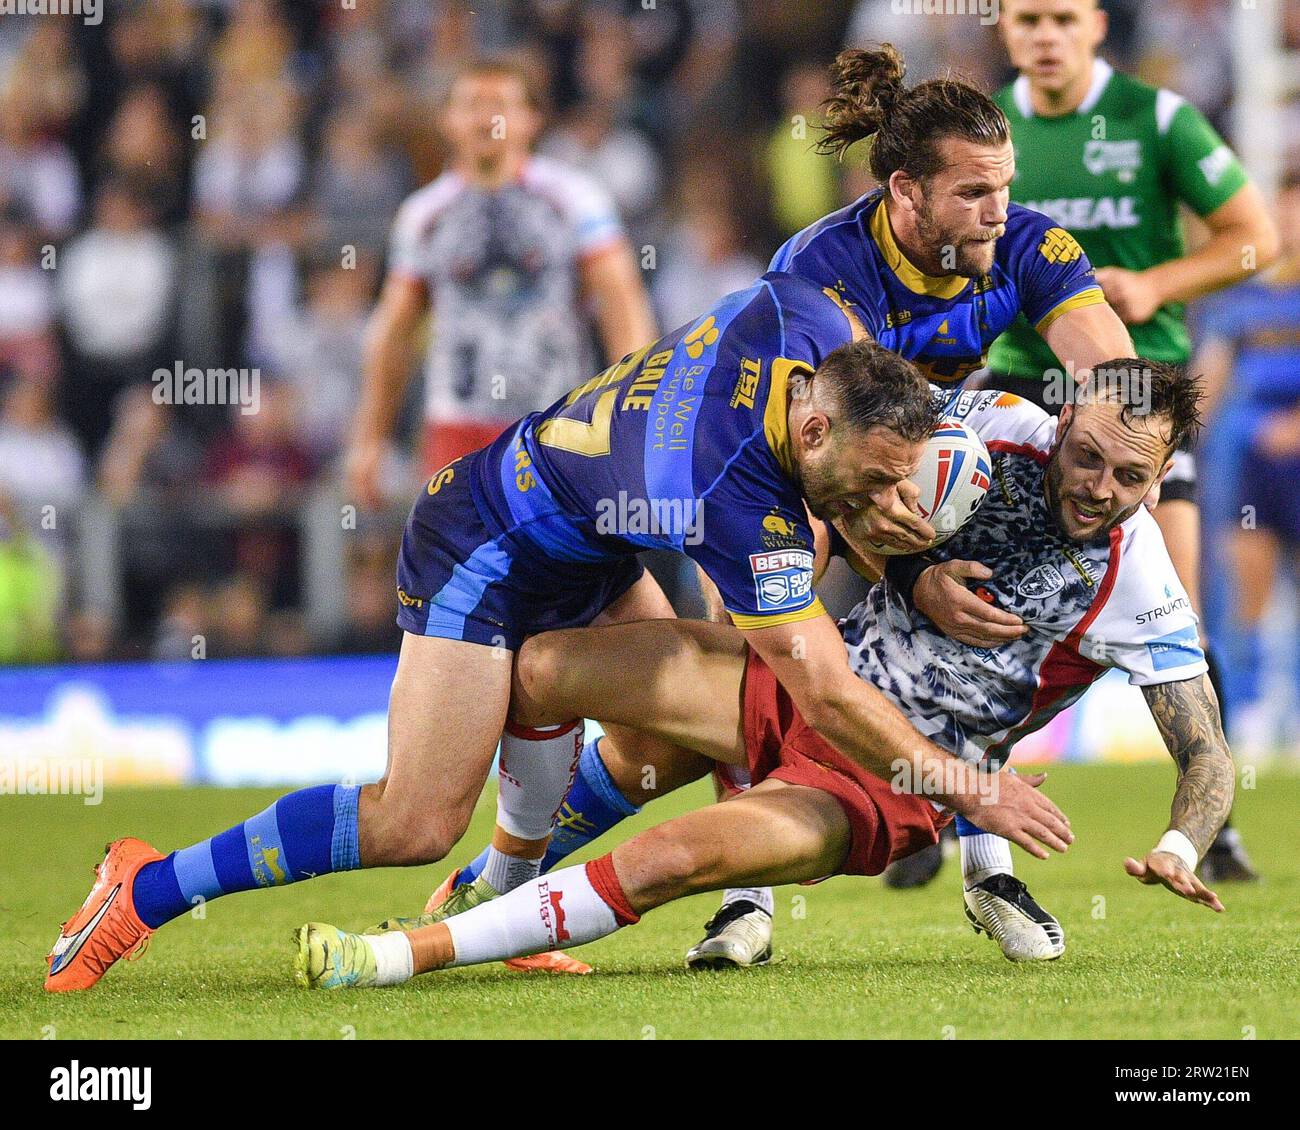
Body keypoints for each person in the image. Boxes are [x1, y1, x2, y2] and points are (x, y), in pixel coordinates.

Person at [44, 273, 1071, 993]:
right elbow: (826, 691)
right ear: (811, 431)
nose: (892, 501)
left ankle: (503, 895)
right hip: (483, 541)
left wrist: (887, 540)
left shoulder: (797, 319)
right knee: (413, 819)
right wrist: (969, 785)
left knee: (668, 735)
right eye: (879, 480)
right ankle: (142, 884)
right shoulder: (727, 494)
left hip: (586, 534)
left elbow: (830, 380)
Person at [434, 40, 1137, 967]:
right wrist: (906, 567)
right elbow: (812, 447)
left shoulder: (1031, 246)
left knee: (989, 604)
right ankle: (738, 894)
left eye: (1004, 187)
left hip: (948, 478)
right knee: (747, 661)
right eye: (974, 194)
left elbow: (1115, 375)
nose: (998, 213)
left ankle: (987, 863)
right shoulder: (822, 268)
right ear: (905, 194)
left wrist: (1130, 450)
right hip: (831, 486)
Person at [292, 363, 1235, 989]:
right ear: (1064, 418)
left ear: (1161, 478)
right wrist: (911, 569)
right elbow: (849, 467)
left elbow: (1206, 752)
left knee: (670, 860)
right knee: (539, 672)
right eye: (1087, 456)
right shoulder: (988, 425)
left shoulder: (1140, 583)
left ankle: (388, 960)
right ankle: (508, 869)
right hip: (801, 678)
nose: (1096, 488)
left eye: (1128, 476)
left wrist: (1181, 848)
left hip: (884, 783)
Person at [974, 0, 1277, 887]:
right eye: (1028, 19)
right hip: (1024, 390)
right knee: (977, 593)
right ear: (1005, 30)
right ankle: (946, 810)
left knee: (1172, 594)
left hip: (1141, 399)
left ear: (1098, 27)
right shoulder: (988, 134)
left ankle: (1211, 822)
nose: (1046, 37)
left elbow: (1254, 242)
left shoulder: (1159, 120)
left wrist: (1156, 282)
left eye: (1064, 19)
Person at [345, 58, 657, 502]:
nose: (486, 118)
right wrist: (369, 439)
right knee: (451, 567)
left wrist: (633, 423)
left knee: (580, 568)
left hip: (556, 423)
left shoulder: (576, 200)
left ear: (532, 119)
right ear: (447, 121)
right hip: (456, 427)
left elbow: (624, 308)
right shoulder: (424, 215)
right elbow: (393, 332)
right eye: (472, 104)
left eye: (501, 105)